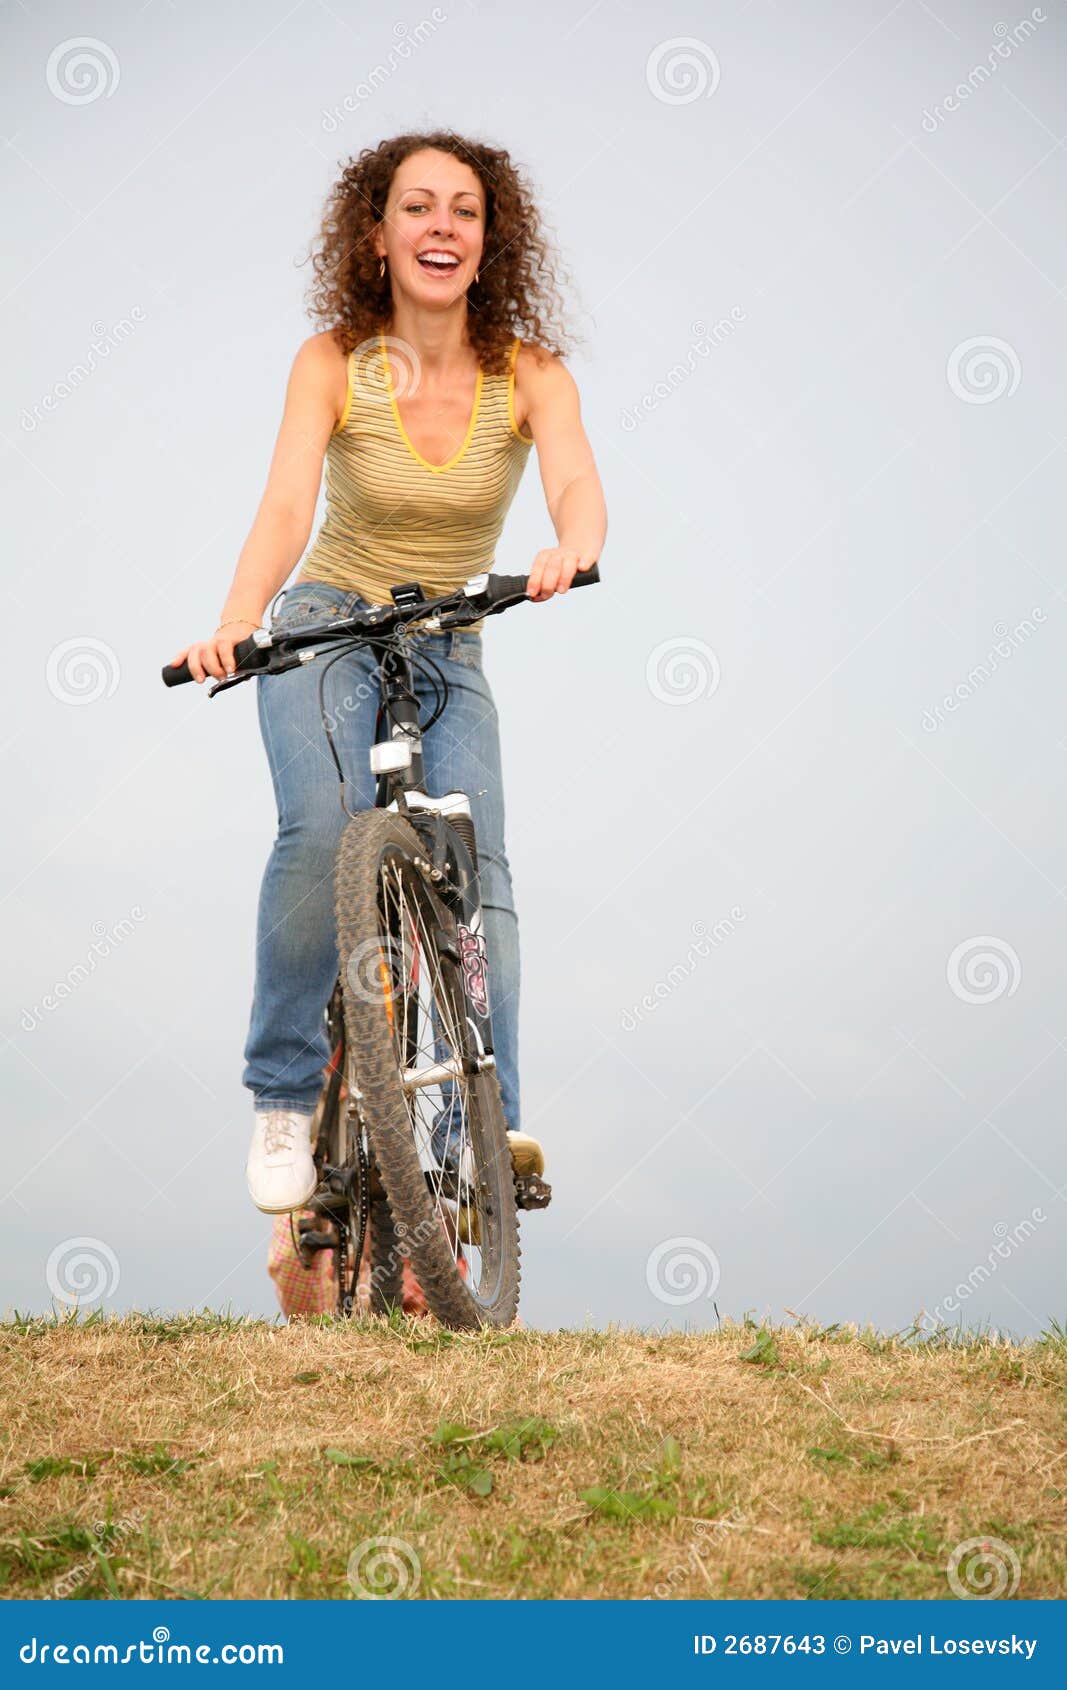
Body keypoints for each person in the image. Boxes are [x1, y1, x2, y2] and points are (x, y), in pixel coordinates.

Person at [169, 129, 607, 1221]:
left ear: (490, 239)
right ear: (376, 236)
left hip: (447, 638)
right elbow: (286, 506)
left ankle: (484, 1128)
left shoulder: (531, 375)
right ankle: (283, 1095)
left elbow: (574, 485)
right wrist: (237, 620)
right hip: (325, 625)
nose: (440, 228)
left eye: (463, 210)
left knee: (477, 868)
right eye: (417, 207)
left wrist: (571, 546)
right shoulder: (332, 362)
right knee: (323, 830)